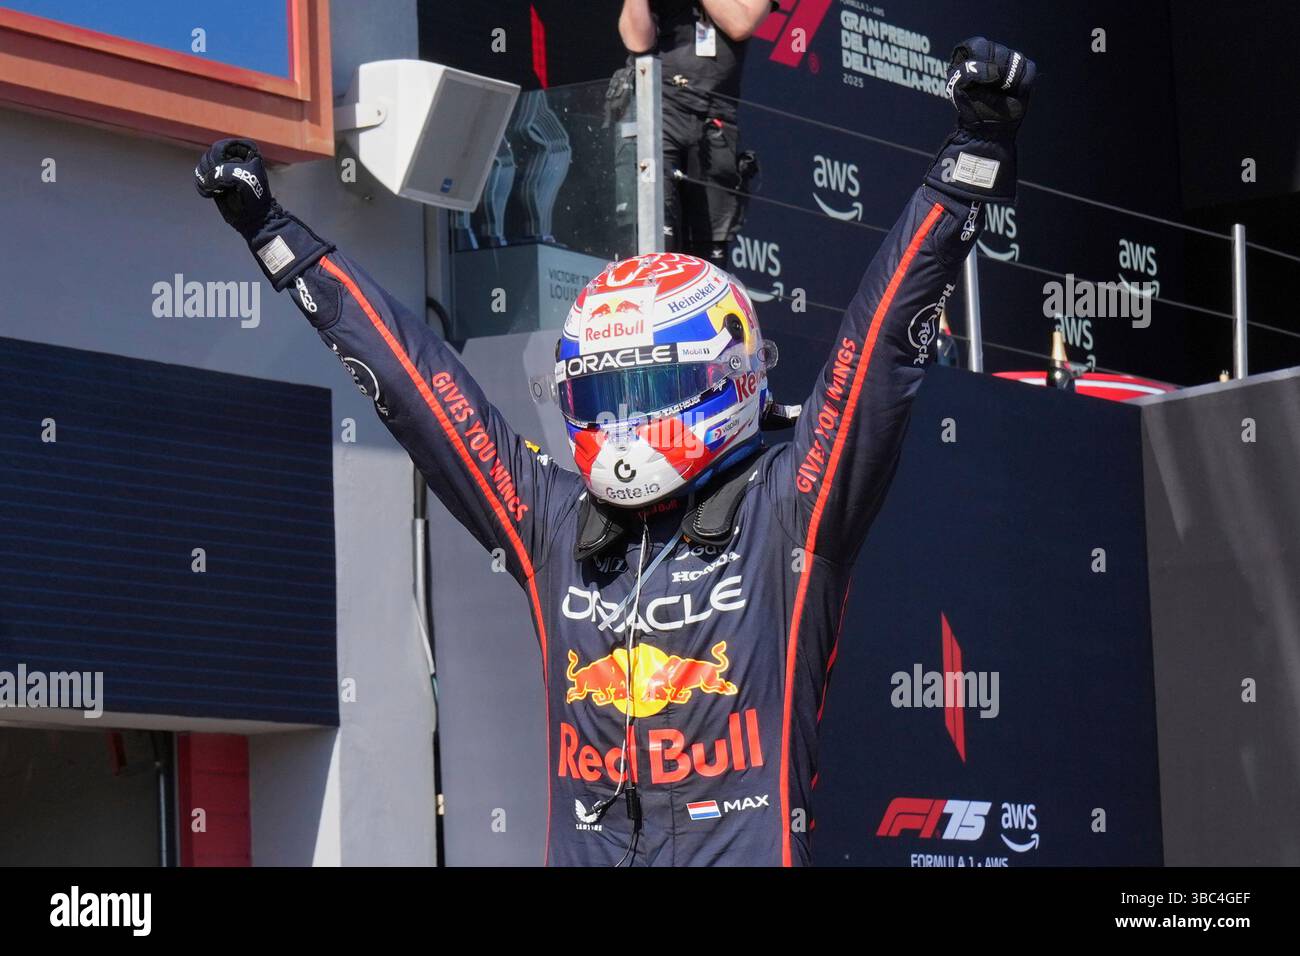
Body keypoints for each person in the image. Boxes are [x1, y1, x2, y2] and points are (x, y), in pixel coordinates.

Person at [195, 37, 1034, 866]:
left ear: (726, 376)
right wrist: (276, 236)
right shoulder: (556, 522)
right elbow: (420, 391)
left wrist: (970, 156)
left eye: (647, 390)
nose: (625, 422)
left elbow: (879, 342)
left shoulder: (792, 509)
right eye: (604, 395)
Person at [618, 0, 771, 266]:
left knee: (710, 252)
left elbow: (741, 23)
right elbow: (637, 41)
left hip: (716, 119)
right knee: (654, 235)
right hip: (658, 109)